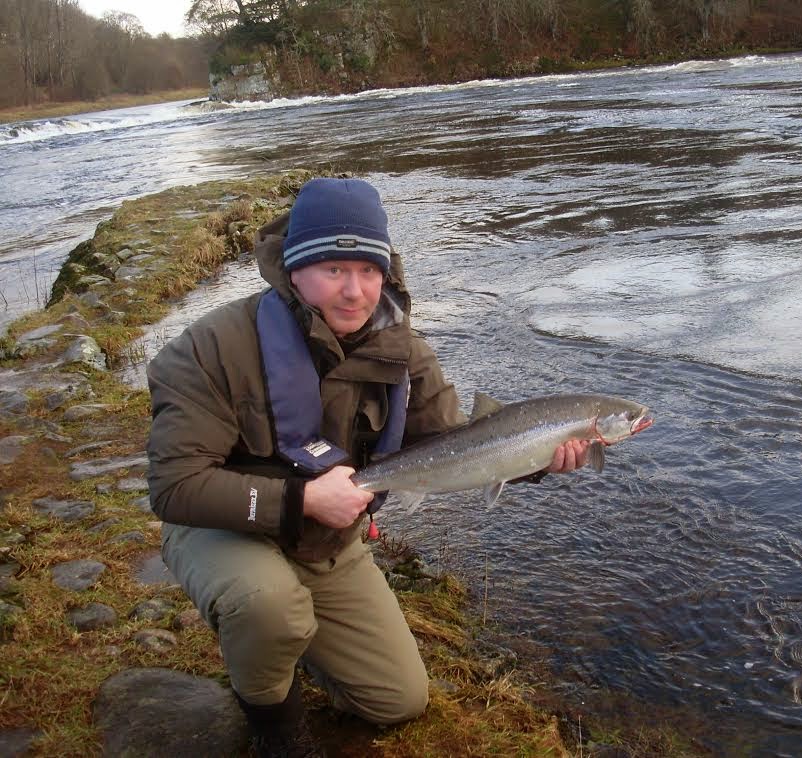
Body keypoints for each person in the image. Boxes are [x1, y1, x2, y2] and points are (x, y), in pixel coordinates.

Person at [146, 177, 588, 757]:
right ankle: (272, 721)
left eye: (370, 271)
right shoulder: (209, 348)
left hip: (328, 543)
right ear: (293, 269)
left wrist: (535, 458)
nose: (355, 292)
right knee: (266, 604)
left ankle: (285, 640)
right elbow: (175, 486)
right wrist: (301, 500)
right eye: (334, 270)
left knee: (400, 700)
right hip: (224, 527)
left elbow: (459, 444)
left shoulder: (403, 353)